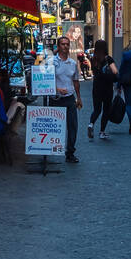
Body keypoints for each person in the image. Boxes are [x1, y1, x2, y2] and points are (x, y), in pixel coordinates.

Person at [52, 35, 83, 163]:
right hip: (56, 99)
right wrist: (57, 89)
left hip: (70, 98)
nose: (65, 46)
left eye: (67, 44)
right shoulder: (52, 62)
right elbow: (47, 80)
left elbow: (75, 81)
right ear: (58, 47)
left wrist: (79, 98)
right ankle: (50, 151)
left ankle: (70, 153)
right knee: (54, 127)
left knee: (72, 126)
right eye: (63, 44)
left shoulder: (73, 63)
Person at [87, 40, 118, 141]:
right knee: (106, 110)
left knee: (97, 109)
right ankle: (102, 132)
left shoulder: (93, 59)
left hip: (96, 87)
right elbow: (115, 71)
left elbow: (93, 72)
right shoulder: (108, 58)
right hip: (107, 88)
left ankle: (91, 124)